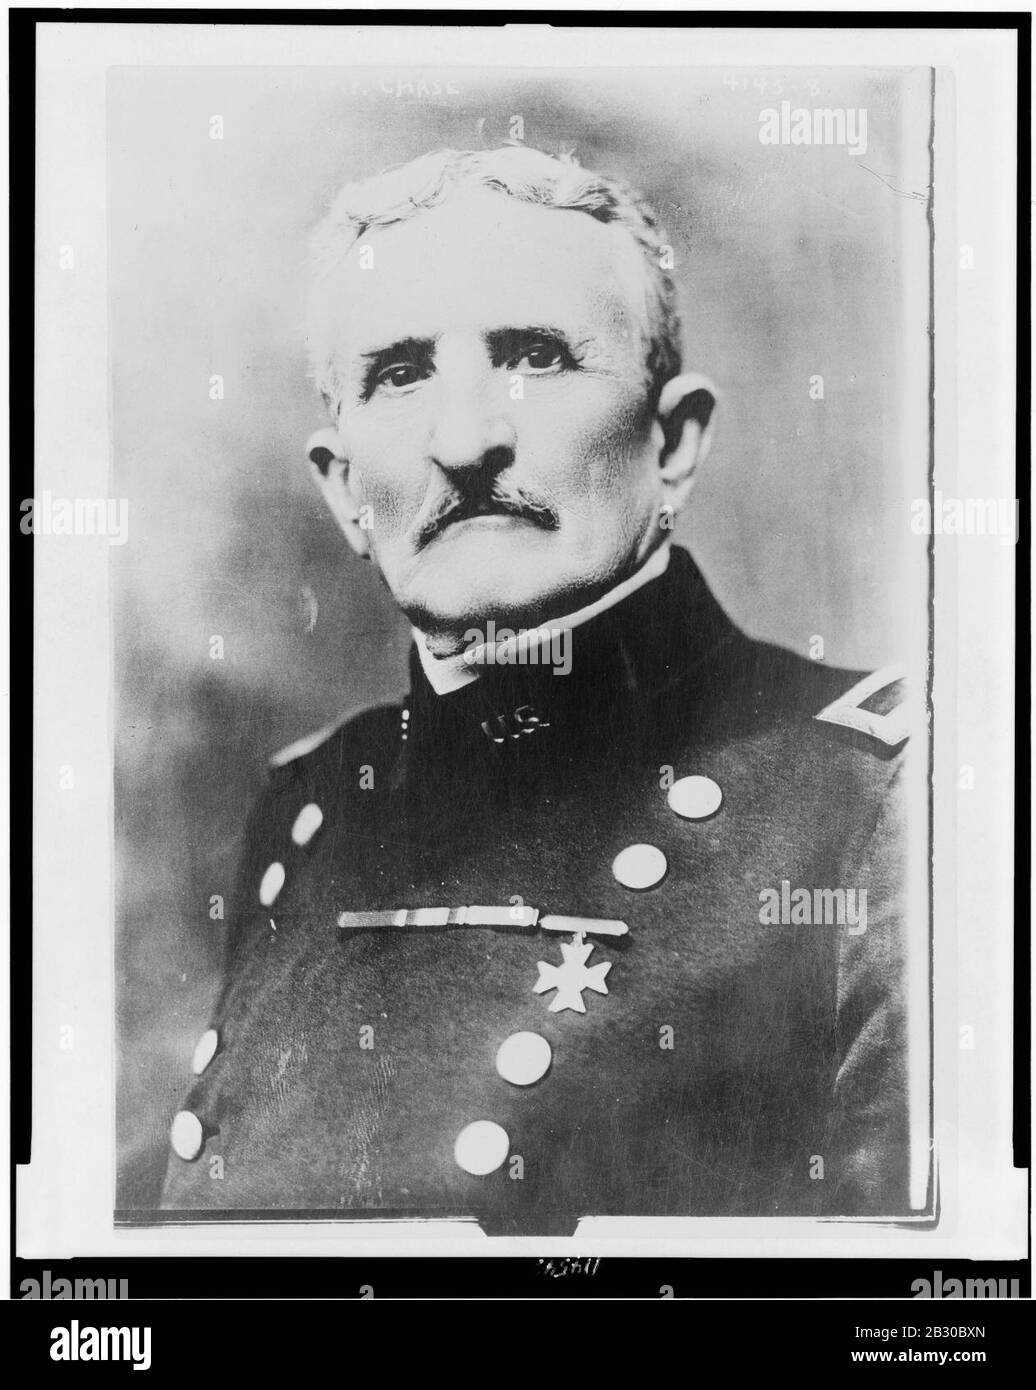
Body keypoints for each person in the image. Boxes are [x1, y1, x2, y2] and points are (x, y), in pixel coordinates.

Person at [159, 146, 913, 1232]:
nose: (467, 440)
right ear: (342, 492)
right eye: (401, 373)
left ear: (672, 444)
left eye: (538, 357)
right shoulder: (310, 798)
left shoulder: (870, 802)